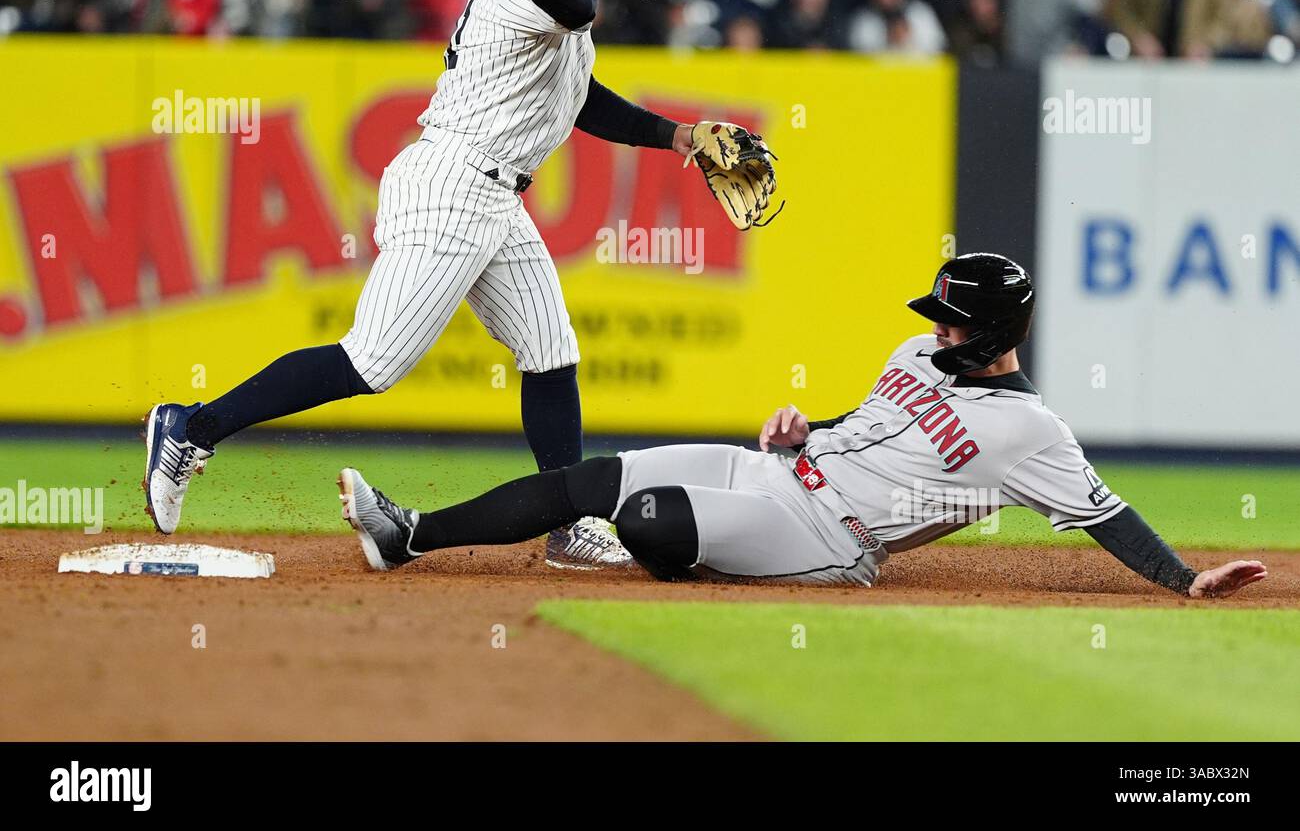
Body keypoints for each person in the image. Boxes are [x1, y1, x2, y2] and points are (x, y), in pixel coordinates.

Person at [142, 0, 714, 570]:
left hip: (495, 194)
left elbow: (581, 101)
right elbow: (580, 3)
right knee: (372, 360)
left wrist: (680, 135)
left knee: (551, 351)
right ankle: (191, 425)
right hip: (454, 184)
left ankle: (566, 522)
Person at [336, 253, 1268, 601]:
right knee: (589, 482)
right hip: (780, 471)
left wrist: (1186, 578)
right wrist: (800, 424)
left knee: (650, 521)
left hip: (827, 535)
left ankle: (677, 556)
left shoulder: (1032, 435)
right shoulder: (914, 354)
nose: (934, 328)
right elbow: (860, 424)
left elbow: (1106, 513)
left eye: (950, 321)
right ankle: (407, 535)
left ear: (991, 333)